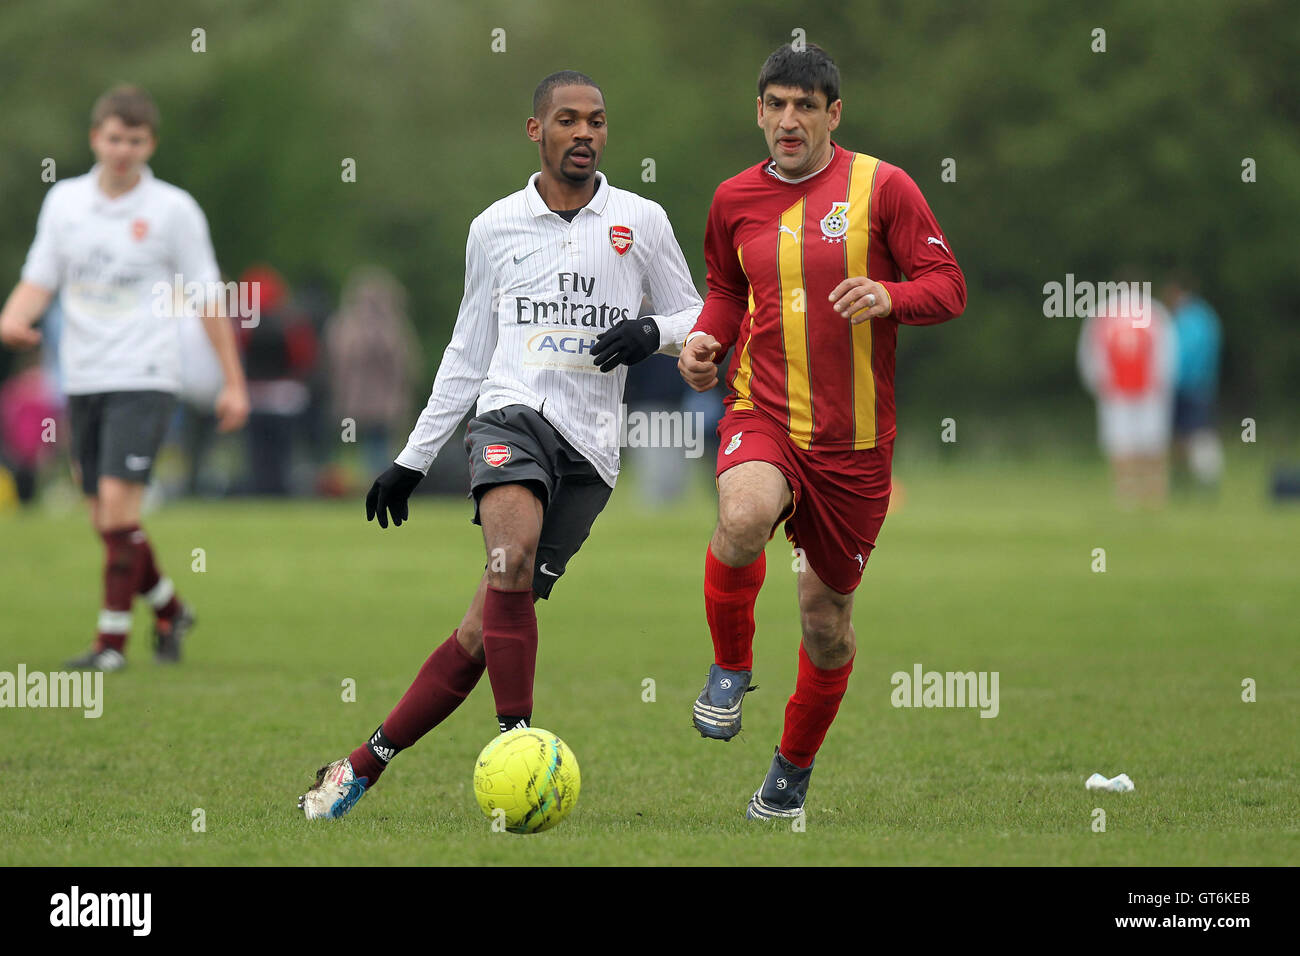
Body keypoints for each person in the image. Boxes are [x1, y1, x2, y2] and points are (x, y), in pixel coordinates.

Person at [299, 70, 703, 819]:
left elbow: (698, 314)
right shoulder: (493, 227)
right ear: (536, 130)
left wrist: (654, 331)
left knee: (483, 629)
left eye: (598, 121)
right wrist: (412, 459)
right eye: (569, 120)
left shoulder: (641, 220)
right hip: (509, 417)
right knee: (508, 561)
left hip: (591, 451)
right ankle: (519, 743)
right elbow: (466, 351)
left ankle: (360, 764)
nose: (585, 133)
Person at [677, 44, 966, 819]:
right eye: (775, 104)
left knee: (826, 623)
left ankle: (790, 772)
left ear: (834, 114)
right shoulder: (732, 197)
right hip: (762, 410)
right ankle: (730, 669)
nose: (788, 120)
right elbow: (724, 289)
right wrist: (706, 342)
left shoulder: (884, 187)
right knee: (740, 518)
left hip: (855, 445)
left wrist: (889, 295)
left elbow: (949, 287)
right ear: (759, 112)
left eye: (805, 105)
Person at [0, 85, 249, 669]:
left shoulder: (173, 209)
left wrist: (232, 382)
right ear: (96, 138)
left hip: (146, 372)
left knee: (117, 505)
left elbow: (209, 297)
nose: (123, 149)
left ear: (149, 144)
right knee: (104, 518)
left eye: (135, 140)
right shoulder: (64, 202)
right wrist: (13, 317)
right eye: (114, 137)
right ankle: (169, 608)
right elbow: (41, 276)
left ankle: (110, 644)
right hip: (82, 376)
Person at [1077, 284, 1177, 507]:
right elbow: (1167, 354)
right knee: (1143, 443)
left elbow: (1090, 357)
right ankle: (1150, 494)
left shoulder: (1104, 313)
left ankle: (1130, 495)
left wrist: (1099, 384)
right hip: (1134, 391)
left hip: (1131, 391)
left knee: (1129, 443)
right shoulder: (1154, 312)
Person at [324, 266, 423, 478]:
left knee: (354, 444)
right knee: (371, 446)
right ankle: (367, 482)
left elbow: (336, 360)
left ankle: (356, 483)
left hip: (356, 402)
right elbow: (407, 364)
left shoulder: (345, 324)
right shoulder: (394, 327)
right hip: (379, 403)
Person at [1163, 276, 1224, 490]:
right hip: (1196, 384)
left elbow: (1182, 355)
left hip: (1190, 386)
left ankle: (1205, 480)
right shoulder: (1203, 316)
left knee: (1197, 434)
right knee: (1183, 435)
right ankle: (1186, 479)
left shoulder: (1191, 319)